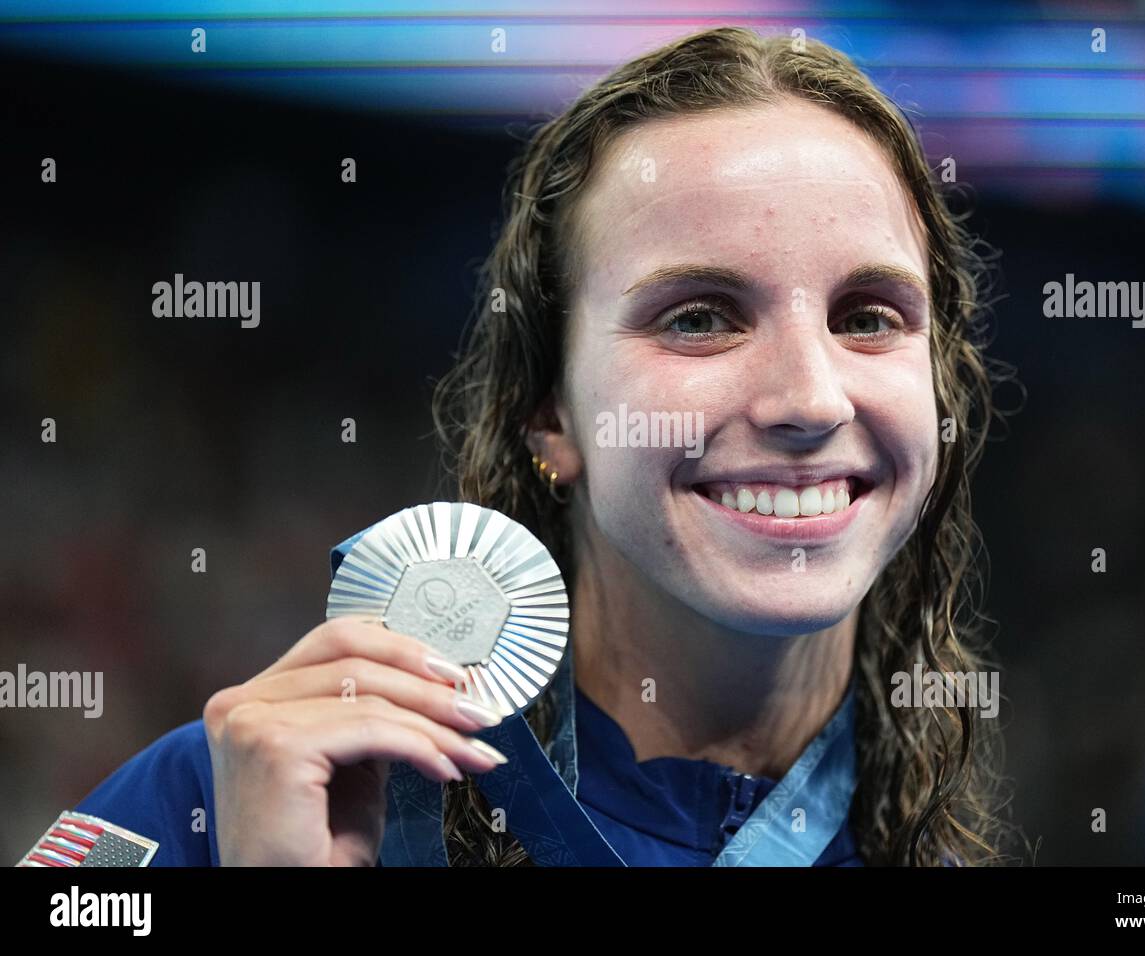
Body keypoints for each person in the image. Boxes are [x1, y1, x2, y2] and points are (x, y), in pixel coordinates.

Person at [21, 26, 1016, 868]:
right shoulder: (243, 793)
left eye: (870, 315)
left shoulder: (928, 839)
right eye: (702, 317)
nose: (808, 395)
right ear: (549, 408)